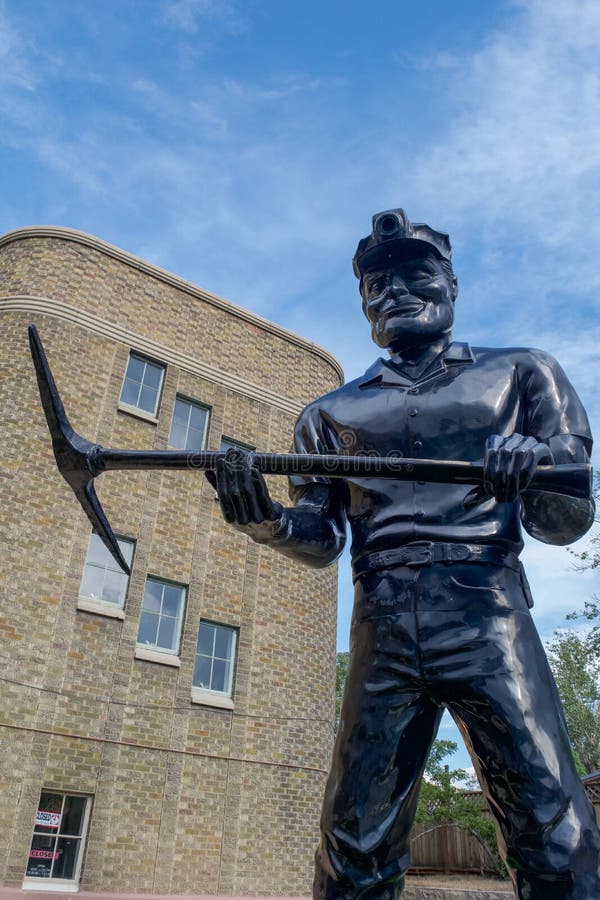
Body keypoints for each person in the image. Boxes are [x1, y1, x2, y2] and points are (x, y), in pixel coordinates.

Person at [209, 209, 600, 899]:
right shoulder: (330, 414)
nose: (394, 290)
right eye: (376, 283)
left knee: (551, 824)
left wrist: (535, 465)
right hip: (383, 627)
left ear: (451, 282)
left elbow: (566, 519)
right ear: (363, 304)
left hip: (487, 616)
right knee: (353, 840)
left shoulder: (522, 374)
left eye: (415, 272)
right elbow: (321, 535)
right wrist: (264, 519)